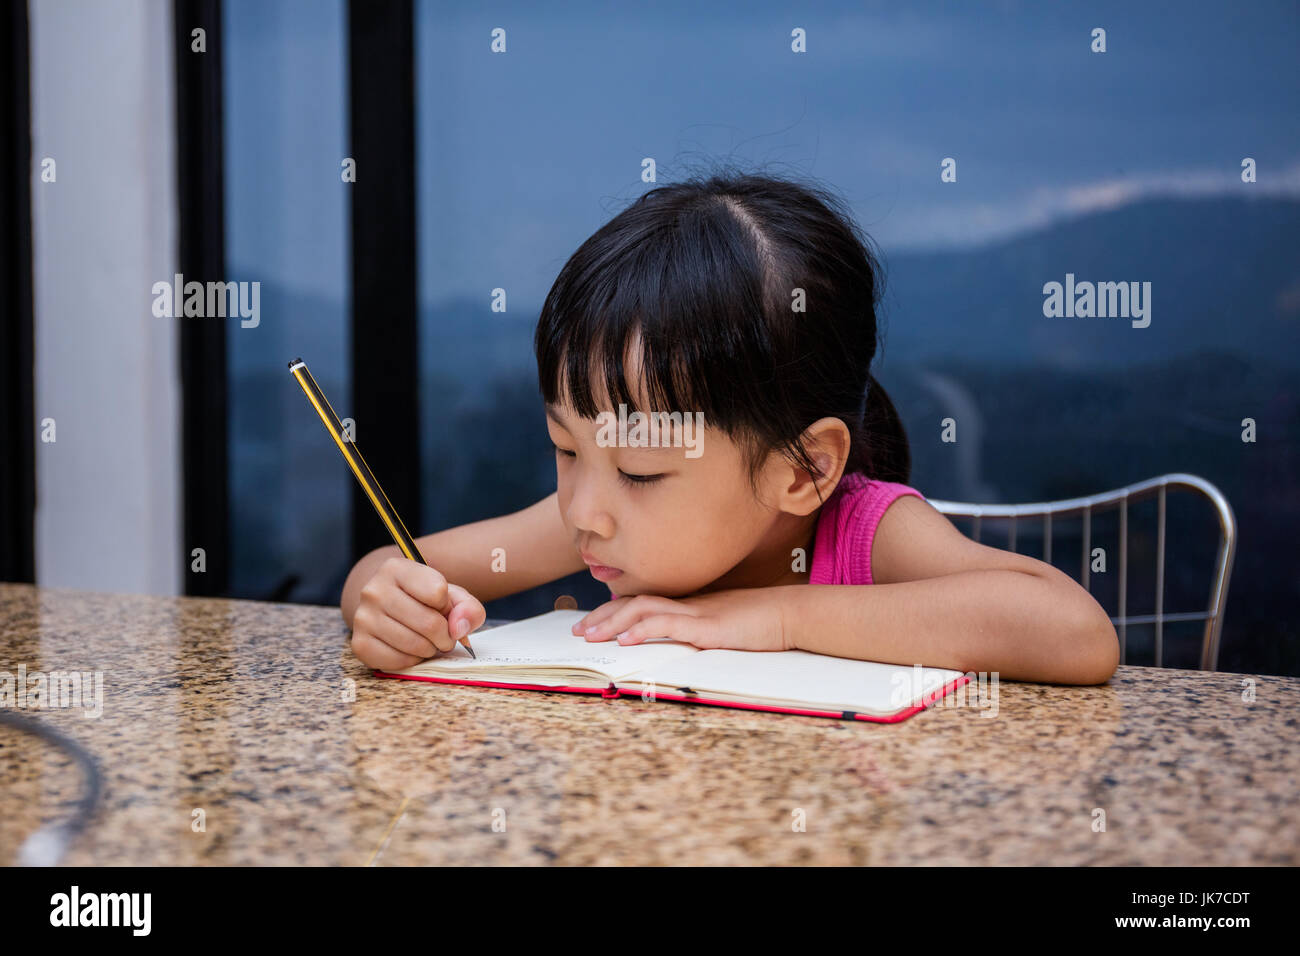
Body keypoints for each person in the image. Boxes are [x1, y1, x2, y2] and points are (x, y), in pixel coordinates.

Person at [340, 170, 1119, 685]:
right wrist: (391, 604)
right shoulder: (593, 521)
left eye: (643, 471)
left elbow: (1075, 634)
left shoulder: (864, 533)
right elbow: (385, 566)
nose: (584, 509)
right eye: (565, 449)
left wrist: (770, 617)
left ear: (804, 470)